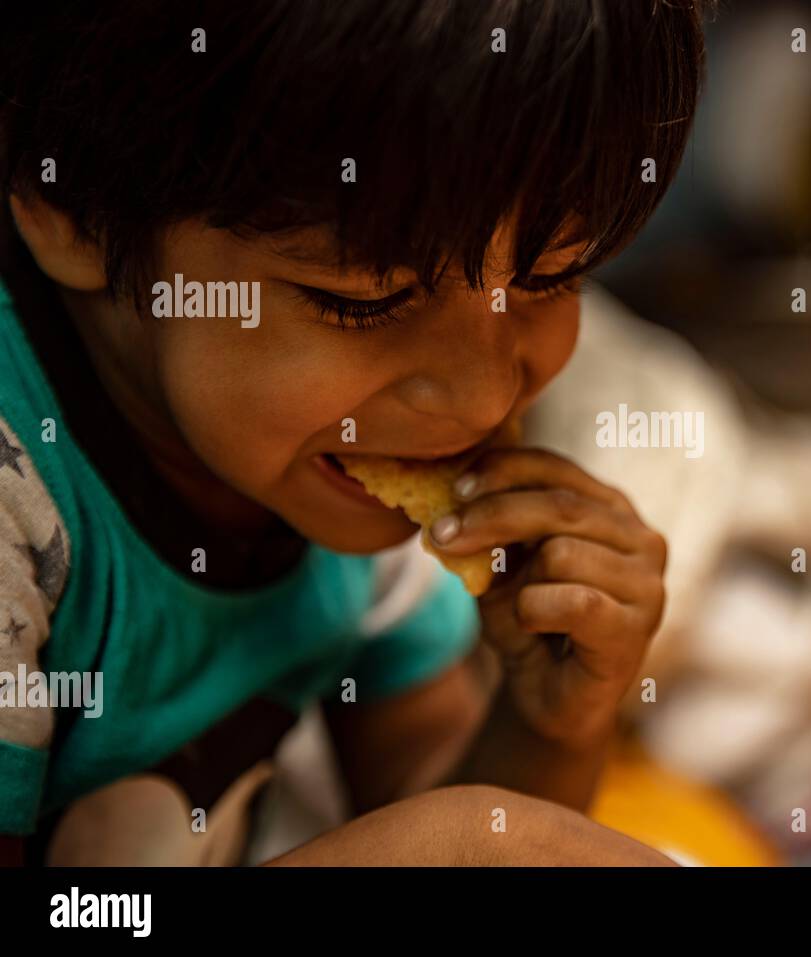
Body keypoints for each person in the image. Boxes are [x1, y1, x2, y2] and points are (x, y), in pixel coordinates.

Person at [0, 0, 709, 866]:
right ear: (68, 197)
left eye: (554, 277)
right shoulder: (20, 512)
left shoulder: (342, 457)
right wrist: (444, 850)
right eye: (363, 302)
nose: (483, 398)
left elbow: (427, 781)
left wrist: (549, 720)